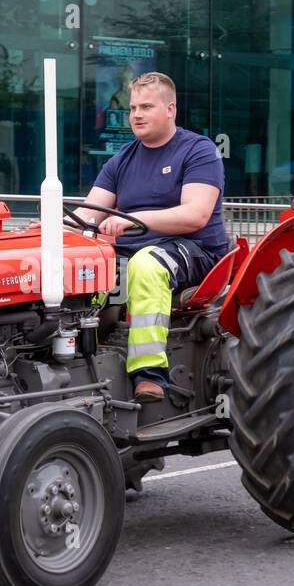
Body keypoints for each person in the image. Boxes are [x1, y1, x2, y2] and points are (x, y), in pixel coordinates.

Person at [71, 72, 227, 403]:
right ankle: (79, 359)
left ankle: (149, 373)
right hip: (134, 251)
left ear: (170, 109)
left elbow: (195, 214)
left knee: (146, 265)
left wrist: (134, 220)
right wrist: (47, 231)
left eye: (146, 107)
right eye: (132, 108)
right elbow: (88, 214)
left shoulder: (198, 151)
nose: (137, 115)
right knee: (86, 267)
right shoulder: (120, 161)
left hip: (196, 252)